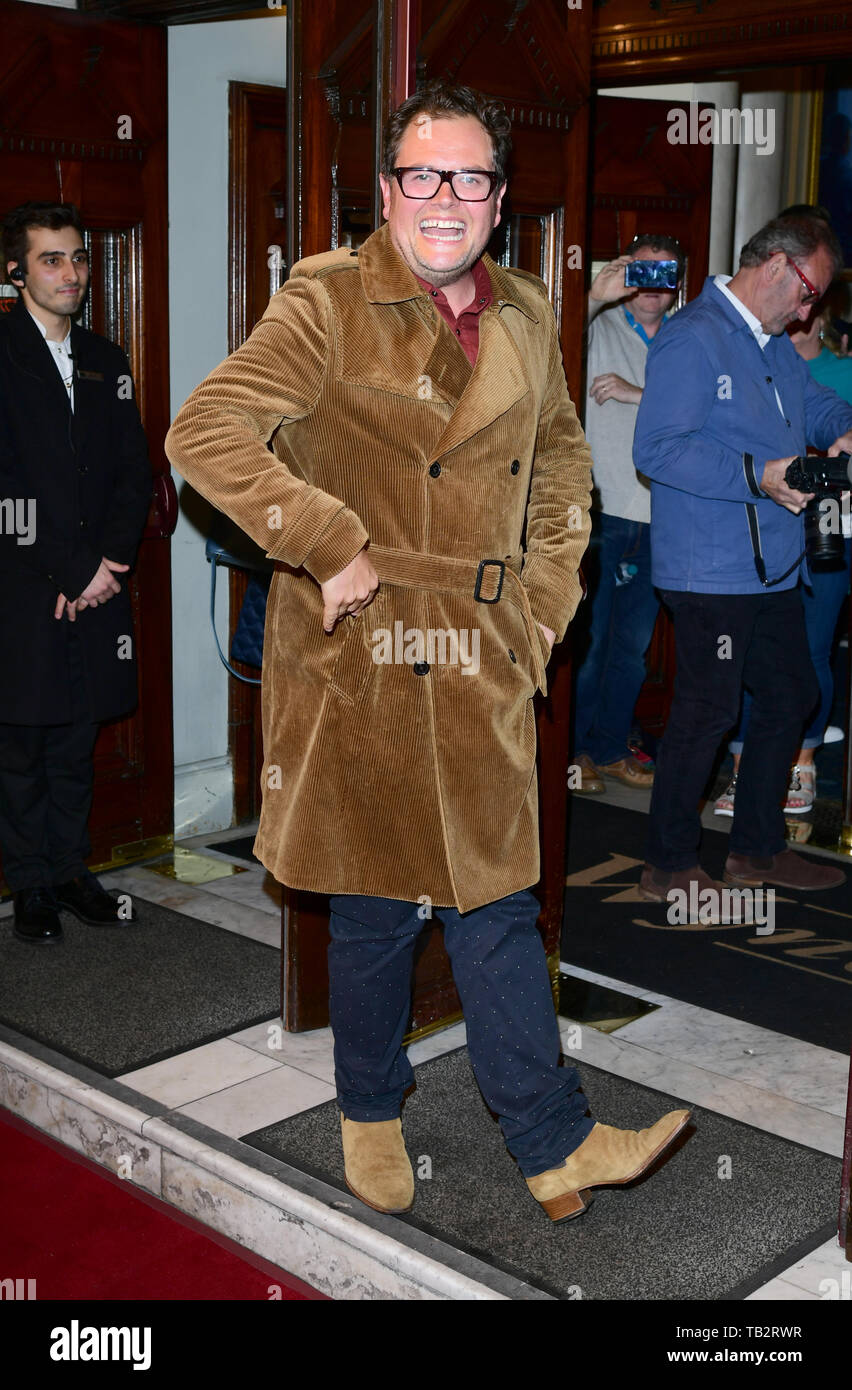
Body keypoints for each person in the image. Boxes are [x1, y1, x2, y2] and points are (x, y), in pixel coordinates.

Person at [166, 82, 689, 1224]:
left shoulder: (520, 311)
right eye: (421, 175)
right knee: (373, 909)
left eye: (468, 178)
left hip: (485, 655)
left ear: (498, 201)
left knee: (498, 902)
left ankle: (551, 1142)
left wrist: (545, 605)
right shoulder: (327, 299)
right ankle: (368, 1108)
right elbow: (202, 431)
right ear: (391, 189)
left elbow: (561, 464)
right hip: (360, 655)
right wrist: (324, 540)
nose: (443, 198)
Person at [634, 214, 852, 907]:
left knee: (793, 691)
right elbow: (657, 451)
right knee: (707, 709)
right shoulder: (692, 338)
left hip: (772, 569)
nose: (809, 308)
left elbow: (811, 402)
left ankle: (756, 851)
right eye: (810, 291)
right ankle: (667, 865)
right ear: (779, 266)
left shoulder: (772, 343)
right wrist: (758, 471)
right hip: (710, 569)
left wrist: (842, 426)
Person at [0, 202, 151, 944]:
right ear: (16, 270)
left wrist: (108, 562)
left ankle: (70, 870)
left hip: (97, 587)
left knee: (76, 737)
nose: (70, 273)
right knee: (22, 741)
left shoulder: (106, 357)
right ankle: (29, 883)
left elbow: (134, 470)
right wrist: (70, 567)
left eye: (78, 258)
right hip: (24, 585)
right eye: (51, 259)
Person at [715, 288, 852, 817]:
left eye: (805, 306)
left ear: (817, 314)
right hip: (768, 523)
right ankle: (746, 768)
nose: (795, 316)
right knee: (758, 653)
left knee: (814, 646)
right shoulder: (760, 362)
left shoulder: (839, 372)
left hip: (833, 523)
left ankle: (803, 762)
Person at [573, 234, 684, 794]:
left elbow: (703, 409)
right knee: (588, 646)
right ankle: (574, 757)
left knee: (633, 651)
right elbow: (549, 332)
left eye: (663, 274)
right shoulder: (595, 324)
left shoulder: (685, 341)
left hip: (660, 515)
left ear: (677, 282)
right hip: (602, 510)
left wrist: (637, 392)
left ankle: (611, 749)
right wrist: (594, 294)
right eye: (640, 272)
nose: (651, 287)